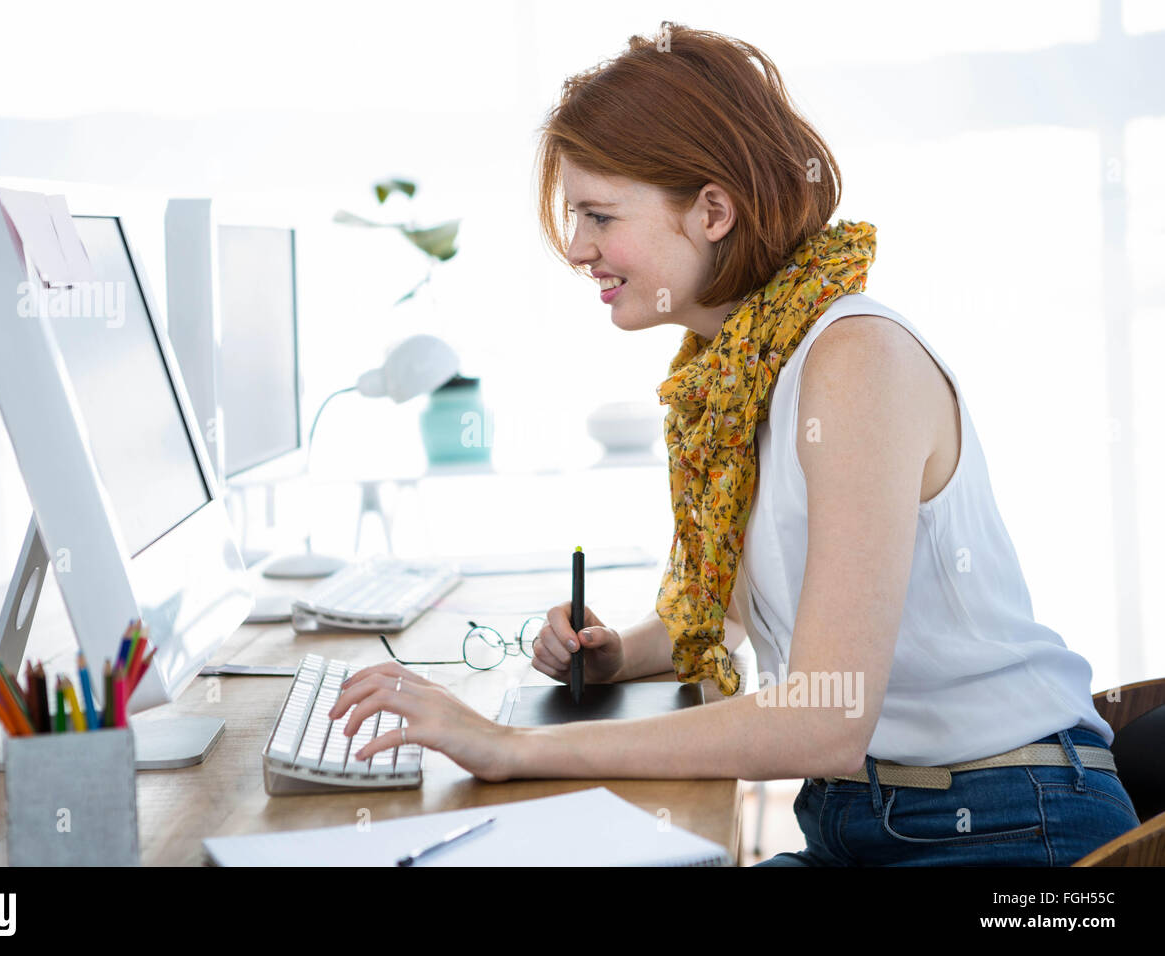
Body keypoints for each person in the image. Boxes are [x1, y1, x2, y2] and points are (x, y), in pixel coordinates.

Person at [330, 24, 1140, 866]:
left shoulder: (854, 360)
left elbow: (823, 719)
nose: (576, 249)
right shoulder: (740, 374)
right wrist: (618, 656)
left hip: (1011, 831)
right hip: (869, 825)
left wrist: (511, 746)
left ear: (713, 211)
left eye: (599, 214)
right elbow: (739, 621)